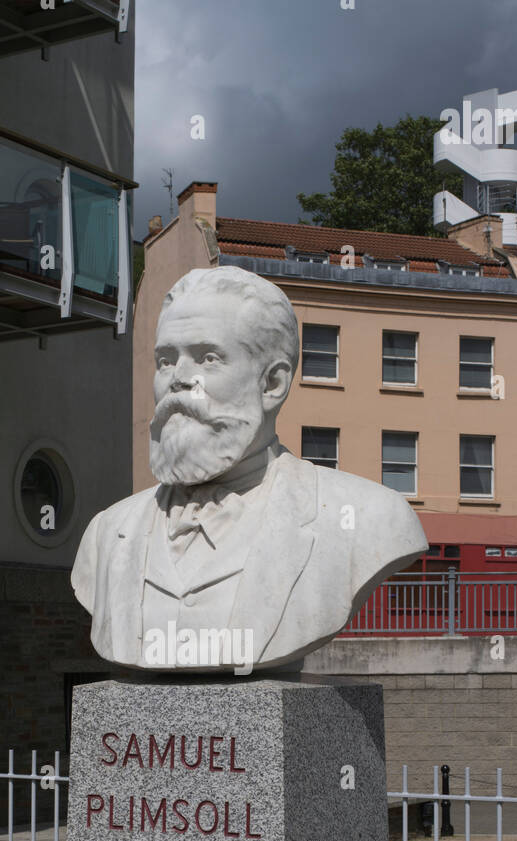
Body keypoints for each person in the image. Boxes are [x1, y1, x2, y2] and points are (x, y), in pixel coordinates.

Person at [72, 264, 427, 670]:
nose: (180, 380)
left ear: (272, 384)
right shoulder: (106, 534)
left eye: (207, 358)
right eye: (166, 360)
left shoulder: (371, 517)